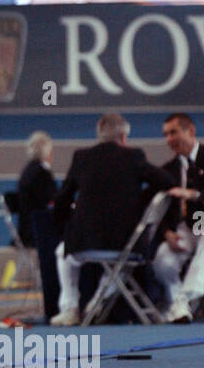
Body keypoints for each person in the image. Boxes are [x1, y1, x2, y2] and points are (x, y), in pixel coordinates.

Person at [50, 113, 175, 326]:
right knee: (120, 265)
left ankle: (70, 307)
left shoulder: (81, 157)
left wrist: (64, 226)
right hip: (125, 242)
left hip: (85, 241)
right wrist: (142, 198)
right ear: (124, 136)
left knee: (62, 252)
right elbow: (166, 181)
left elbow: (63, 199)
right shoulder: (134, 156)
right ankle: (100, 299)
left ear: (99, 134)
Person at [152, 113, 204, 323]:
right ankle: (176, 303)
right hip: (184, 228)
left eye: (173, 132)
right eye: (165, 134)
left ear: (190, 131)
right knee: (163, 258)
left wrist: (195, 195)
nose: (169, 139)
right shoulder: (168, 169)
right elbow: (160, 209)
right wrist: (167, 233)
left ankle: (184, 299)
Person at [17, 131, 59, 319]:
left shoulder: (29, 170)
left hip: (27, 230)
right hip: (36, 233)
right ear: (48, 152)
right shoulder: (41, 173)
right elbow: (53, 203)